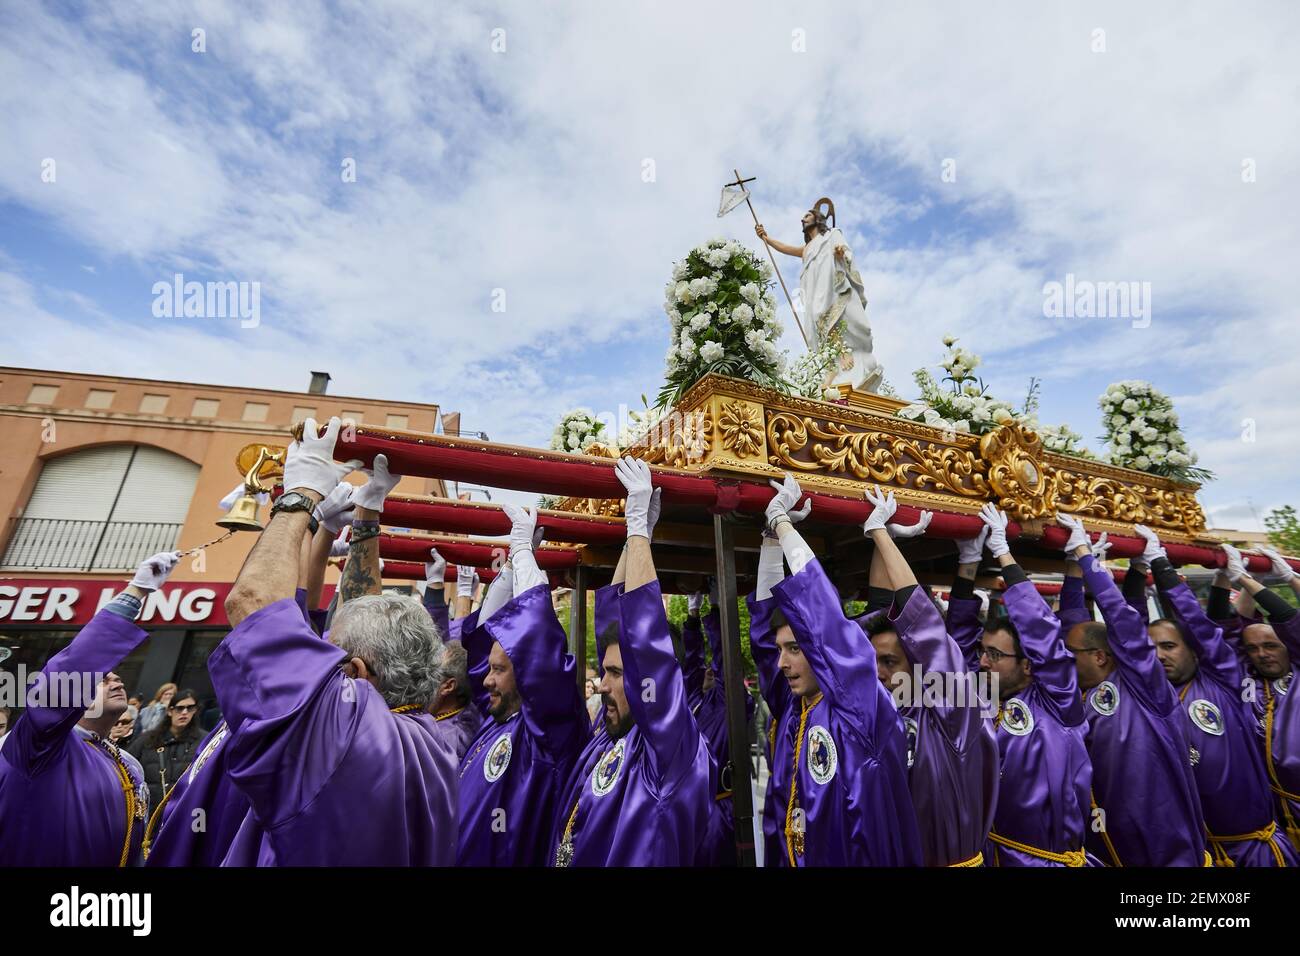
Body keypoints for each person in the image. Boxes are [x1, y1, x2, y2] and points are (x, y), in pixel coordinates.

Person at [204, 418, 458, 865]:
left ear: (356, 673)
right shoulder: (425, 737)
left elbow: (252, 602)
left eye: (329, 653)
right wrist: (367, 512)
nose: (318, 651)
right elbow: (364, 619)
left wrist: (299, 499)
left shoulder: (340, 733)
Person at [548, 457, 715, 866]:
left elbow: (644, 643)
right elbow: (615, 621)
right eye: (605, 671)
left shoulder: (670, 746)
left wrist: (640, 528)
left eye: (617, 674)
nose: (602, 684)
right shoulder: (611, 735)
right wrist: (634, 537)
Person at [747, 474, 921, 866]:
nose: (783, 662)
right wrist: (771, 542)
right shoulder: (793, 705)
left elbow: (825, 618)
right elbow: (761, 635)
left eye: (795, 649)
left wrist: (785, 525)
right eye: (782, 650)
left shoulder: (860, 707)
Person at [0, 550, 180, 866]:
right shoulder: (38, 746)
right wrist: (134, 594)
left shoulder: (129, 764)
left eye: (116, 674)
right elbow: (67, 675)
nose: (116, 680)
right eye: (101, 677)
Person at [1138, 528, 1298, 866]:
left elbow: (1289, 621)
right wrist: (1225, 579)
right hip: (1262, 818)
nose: (1261, 654)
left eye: (1271, 645)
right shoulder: (1243, 684)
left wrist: (1255, 580)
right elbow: (1218, 629)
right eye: (1252, 648)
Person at [1055, 514, 1206, 866]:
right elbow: (1073, 623)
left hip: (1166, 852)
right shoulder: (1076, 692)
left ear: (1100, 657)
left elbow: (1123, 622)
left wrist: (1085, 555)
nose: (1061, 659)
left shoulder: (1144, 688)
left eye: (1069, 654)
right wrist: (1072, 567)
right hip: (1106, 846)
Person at [863, 494, 998, 867]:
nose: (878, 672)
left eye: (890, 662)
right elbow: (877, 614)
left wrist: (880, 534)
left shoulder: (953, 713)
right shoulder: (882, 710)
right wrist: (882, 538)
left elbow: (925, 629)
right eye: (875, 662)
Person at [457, 502, 589, 866]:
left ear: (526, 676)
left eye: (500, 670)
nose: (487, 679)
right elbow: (486, 644)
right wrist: (512, 569)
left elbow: (537, 647)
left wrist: (523, 552)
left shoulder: (547, 732)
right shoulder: (498, 715)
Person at [974, 504, 1097, 866]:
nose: (982, 662)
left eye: (994, 655)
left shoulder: (1057, 702)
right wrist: (969, 564)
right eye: (983, 653)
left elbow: (1042, 632)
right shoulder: (981, 699)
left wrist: (1003, 553)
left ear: (1029, 666)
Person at [755, 198, 883, 393]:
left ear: (817, 218)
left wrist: (841, 252)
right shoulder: (807, 248)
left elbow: (842, 248)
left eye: (806, 216)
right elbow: (786, 248)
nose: (802, 220)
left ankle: (849, 358)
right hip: (814, 289)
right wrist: (766, 238)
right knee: (818, 320)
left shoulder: (831, 235)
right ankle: (837, 362)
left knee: (844, 317)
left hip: (832, 284)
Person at [682, 584, 756, 866]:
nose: (709, 670)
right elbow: (691, 666)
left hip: (718, 810)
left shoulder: (729, 703)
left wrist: (715, 611)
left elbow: (724, 661)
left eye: (715, 669)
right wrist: (691, 616)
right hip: (687, 808)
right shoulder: (694, 702)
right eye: (706, 668)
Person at [129, 688, 205, 809]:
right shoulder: (147, 739)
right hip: (148, 810)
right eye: (180, 708)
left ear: (195, 710)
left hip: (185, 809)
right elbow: (127, 766)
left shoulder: (204, 741)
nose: (184, 712)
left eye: (190, 708)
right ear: (170, 711)